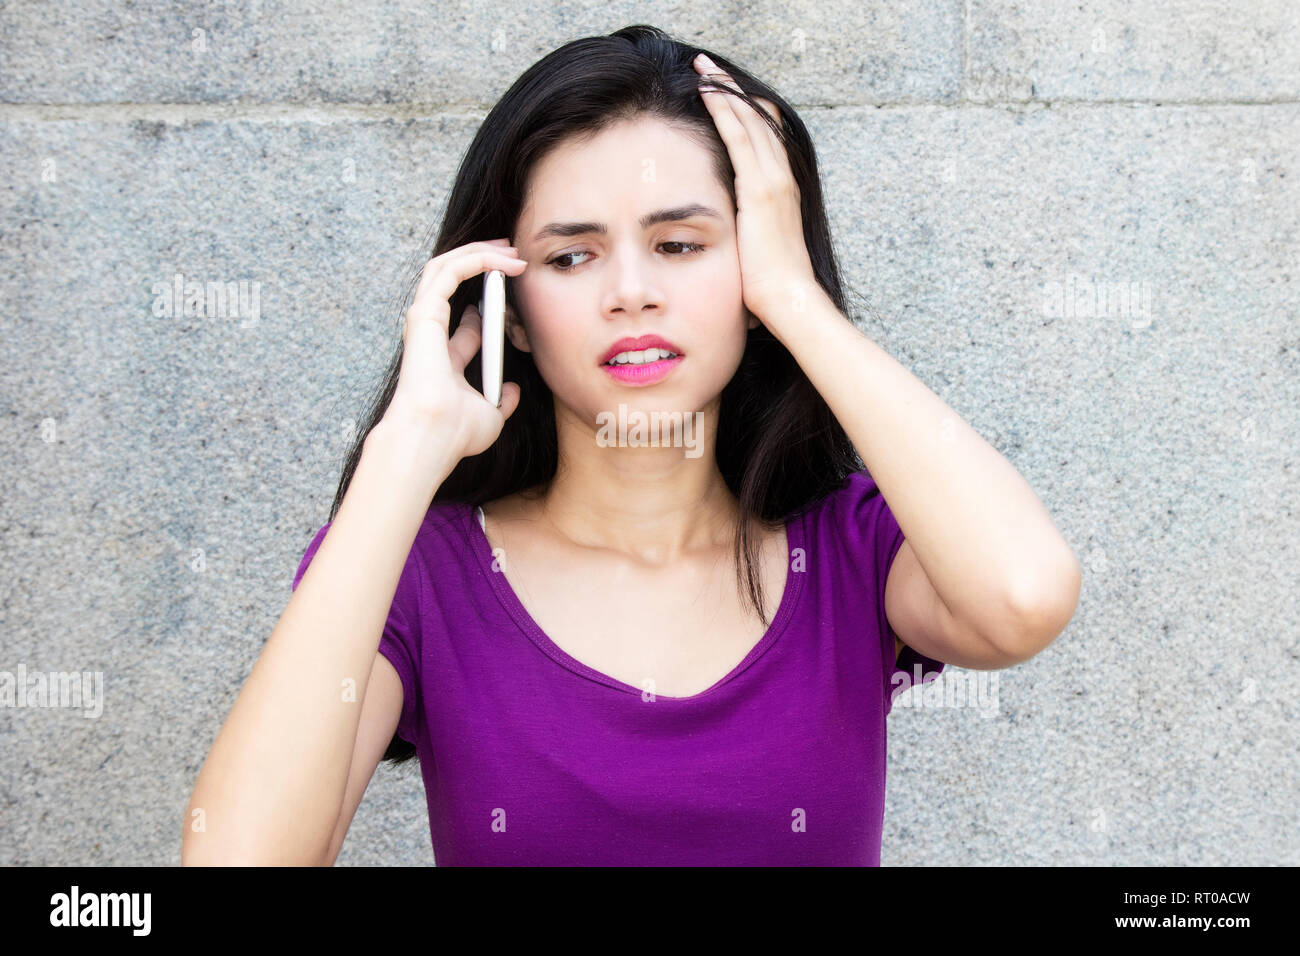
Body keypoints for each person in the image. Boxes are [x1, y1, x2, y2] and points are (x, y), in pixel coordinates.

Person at [183, 25, 1081, 866]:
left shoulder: (851, 549)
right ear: (512, 311)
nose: (631, 291)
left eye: (681, 243)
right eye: (572, 257)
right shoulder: (421, 569)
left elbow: (1023, 596)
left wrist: (796, 300)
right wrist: (402, 456)